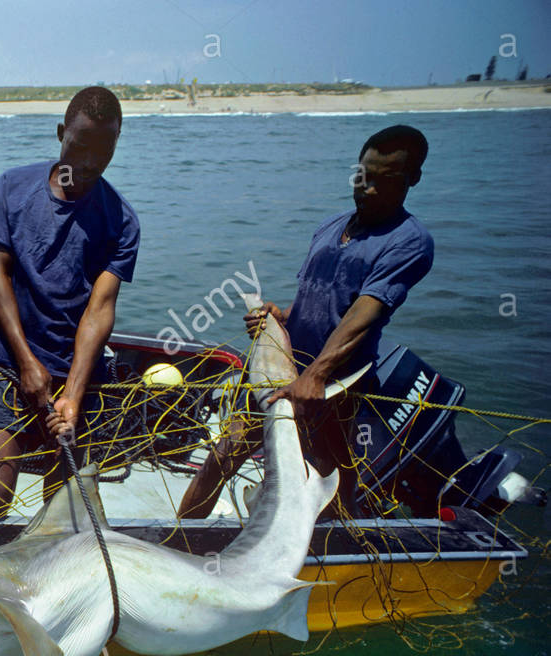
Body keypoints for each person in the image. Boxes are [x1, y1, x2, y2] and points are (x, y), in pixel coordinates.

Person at [177, 124, 434, 519]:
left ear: (412, 179)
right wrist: (280, 316)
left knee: (329, 485)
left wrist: (314, 375)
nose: (368, 188)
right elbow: (316, 299)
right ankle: (177, 541)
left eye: (385, 181)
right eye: (363, 176)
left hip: (335, 386)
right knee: (220, 459)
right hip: (280, 373)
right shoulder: (331, 227)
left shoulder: (408, 240)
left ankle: (344, 562)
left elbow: (363, 314)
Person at [0, 86, 139, 518]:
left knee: (60, 514)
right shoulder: (12, 187)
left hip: (79, 372)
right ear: (61, 132)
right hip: (10, 363)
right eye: (80, 145)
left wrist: (74, 396)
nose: (88, 161)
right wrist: (27, 363)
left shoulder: (121, 220)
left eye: (104, 149)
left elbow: (99, 310)